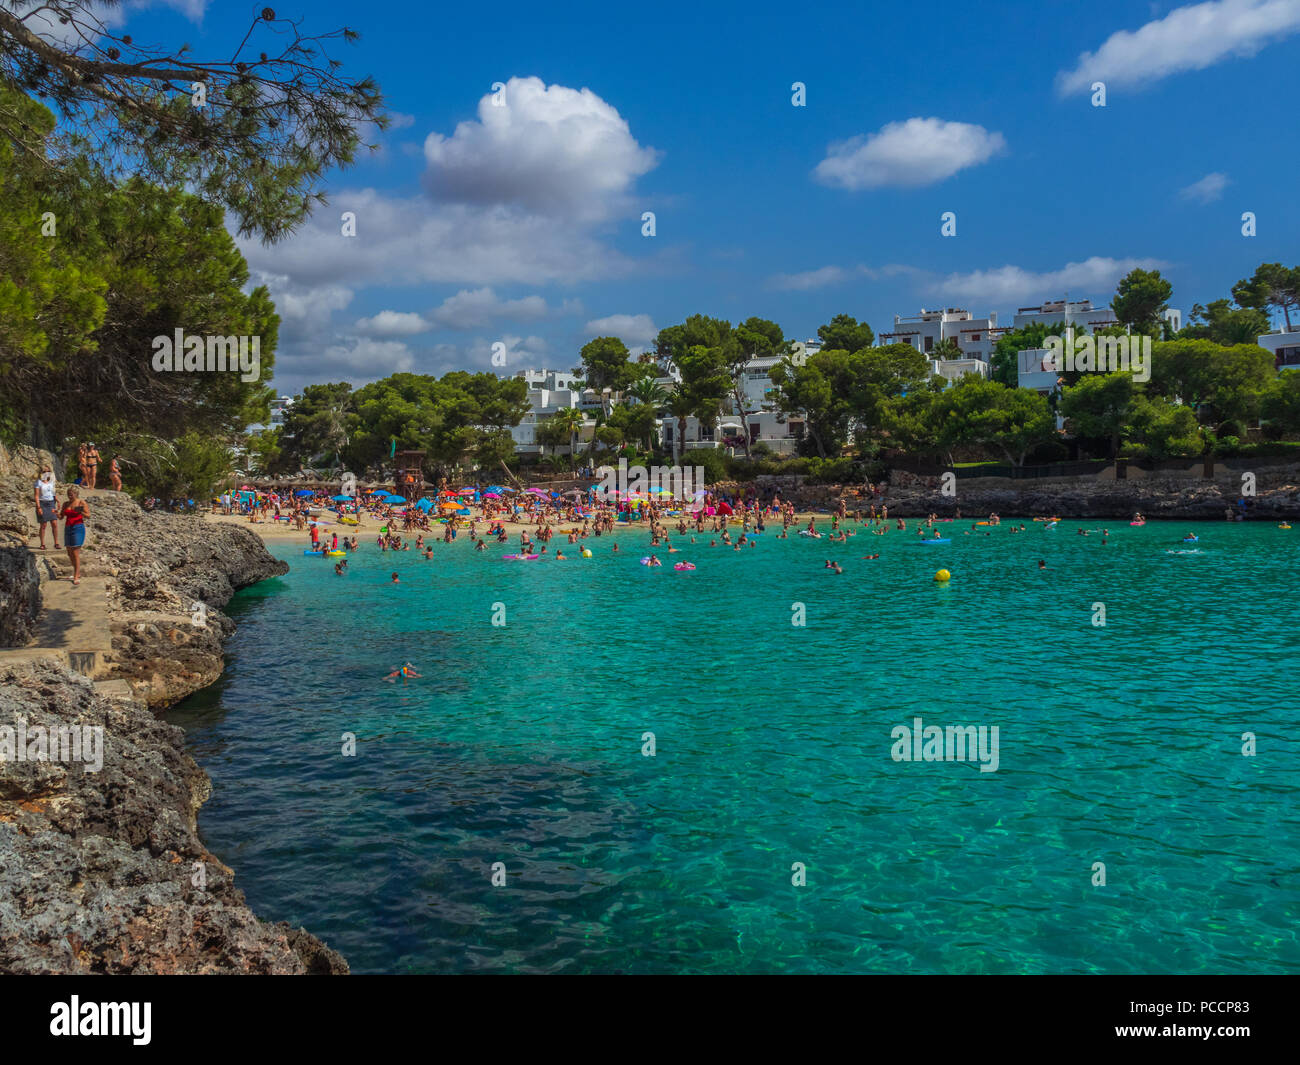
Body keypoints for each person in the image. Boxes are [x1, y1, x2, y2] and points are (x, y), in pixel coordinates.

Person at [61, 488, 89, 585]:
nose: (69, 496)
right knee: (69, 552)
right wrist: (55, 514)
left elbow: (88, 515)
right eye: (68, 494)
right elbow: (61, 516)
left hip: (78, 527)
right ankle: (76, 571)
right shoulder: (65, 504)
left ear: (76, 494)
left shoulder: (81, 502)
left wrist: (80, 511)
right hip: (68, 527)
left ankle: (76, 575)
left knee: (75, 552)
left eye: (71, 494)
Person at [34, 466, 59, 550]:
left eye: (48, 471)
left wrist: (57, 501)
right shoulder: (38, 482)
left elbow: (53, 493)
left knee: (54, 523)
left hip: (51, 503)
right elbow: (36, 496)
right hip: (42, 503)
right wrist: (38, 507)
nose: (46, 473)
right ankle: (42, 543)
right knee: (43, 524)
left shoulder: (51, 482)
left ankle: (56, 543)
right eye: (44, 471)